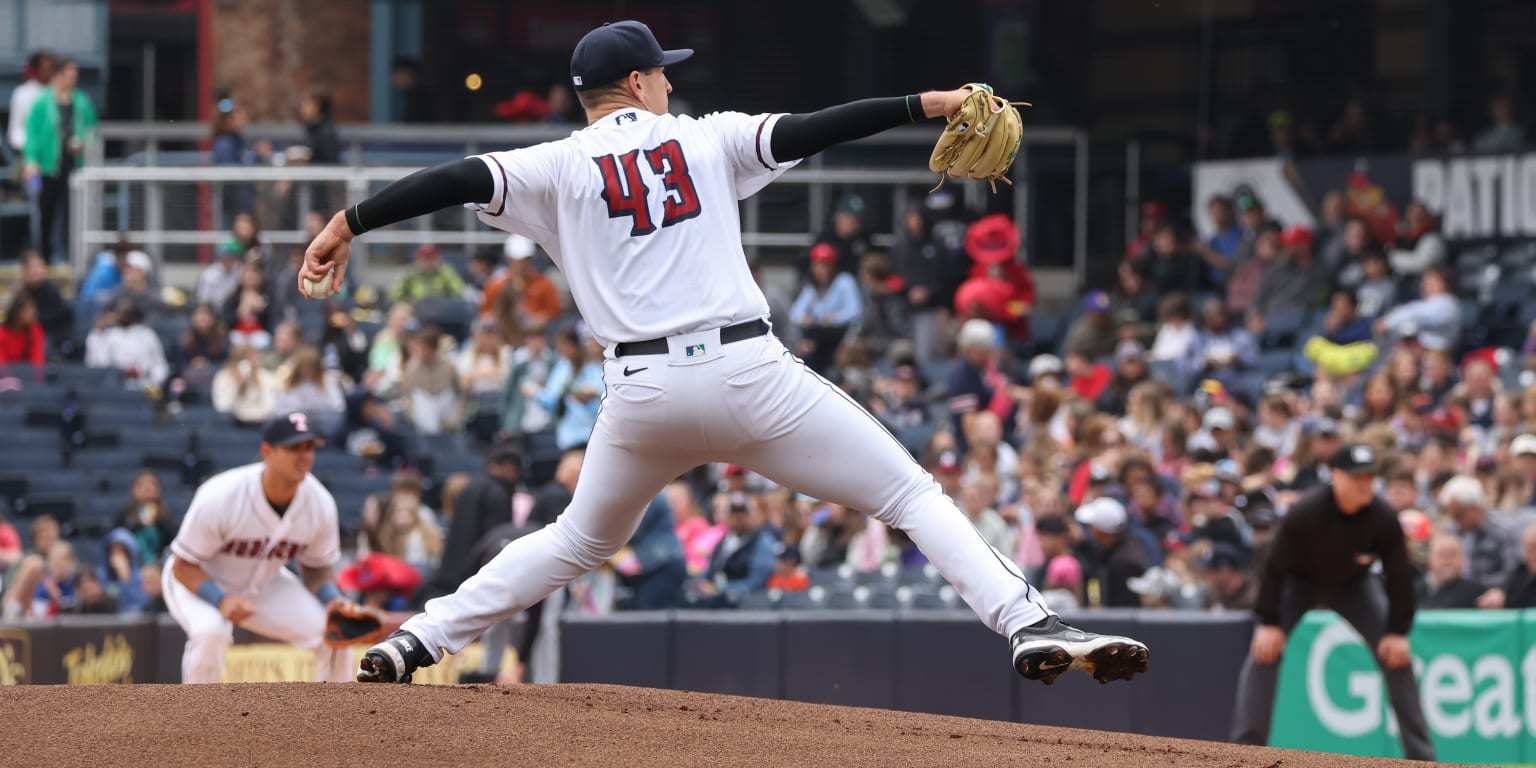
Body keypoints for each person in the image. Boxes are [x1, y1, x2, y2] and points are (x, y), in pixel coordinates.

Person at [301, 19, 1148, 686]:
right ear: (638, 81)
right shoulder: (707, 137)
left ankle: (419, 638)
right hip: (749, 376)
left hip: (641, 395)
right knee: (908, 492)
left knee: (574, 542)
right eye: (662, 68)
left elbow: (450, 179)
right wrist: (930, 103)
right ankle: (1028, 622)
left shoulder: (553, 164)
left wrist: (348, 222)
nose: (671, 78)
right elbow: (819, 129)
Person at [1229, 443, 1433, 761]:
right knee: (1264, 653)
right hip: (1300, 585)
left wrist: (1398, 631)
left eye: (1369, 477)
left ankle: (1423, 758)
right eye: (1356, 478)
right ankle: (1245, 754)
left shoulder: (1382, 517)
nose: (1365, 484)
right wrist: (1268, 622)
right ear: (1336, 476)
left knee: (1397, 657)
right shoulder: (1306, 511)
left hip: (1355, 587)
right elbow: (1274, 566)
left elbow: (1399, 576)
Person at [161, 413, 354, 683]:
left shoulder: (319, 503)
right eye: (293, 447)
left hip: (264, 586)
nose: (304, 455)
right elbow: (183, 566)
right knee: (211, 631)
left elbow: (317, 569)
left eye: (308, 447)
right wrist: (221, 599)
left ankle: (340, 718)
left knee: (336, 633)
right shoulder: (222, 495)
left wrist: (333, 600)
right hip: (199, 582)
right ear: (267, 451)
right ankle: (199, 720)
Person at [23, 57, 98, 263]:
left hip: (74, 164)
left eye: (75, 77)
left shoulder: (82, 102)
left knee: (73, 215)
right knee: (45, 214)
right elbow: (33, 135)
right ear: (58, 75)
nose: (73, 80)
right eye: (70, 75)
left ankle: (73, 259)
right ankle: (44, 259)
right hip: (49, 167)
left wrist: (86, 148)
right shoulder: (41, 102)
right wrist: (32, 161)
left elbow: (93, 132)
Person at [6, 50, 54, 154]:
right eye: (46, 68)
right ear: (36, 69)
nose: (49, 72)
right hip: (29, 153)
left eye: (52, 68)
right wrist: (30, 148)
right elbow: (16, 129)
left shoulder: (58, 93)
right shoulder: (22, 93)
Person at [0, 293, 47, 367]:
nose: (34, 312)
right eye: (29, 309)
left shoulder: (35, 330)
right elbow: (2, 365)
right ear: (17, 313)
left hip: (27, 376)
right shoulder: (2, 333)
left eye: (34, 308)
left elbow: (38, 361)